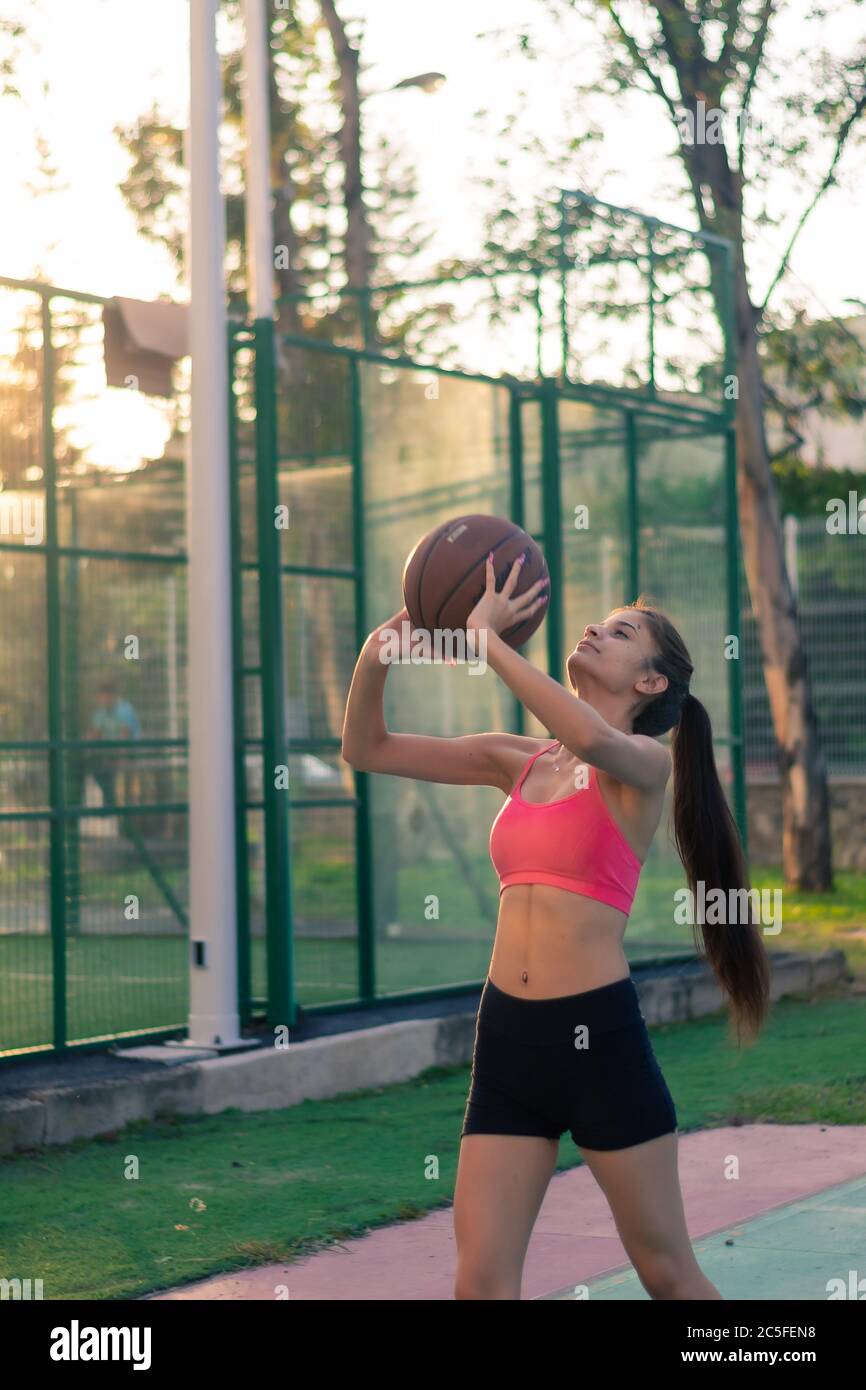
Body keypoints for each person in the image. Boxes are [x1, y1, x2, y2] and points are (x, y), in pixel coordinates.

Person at [341, 554, 770, 1300]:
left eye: (621, 631)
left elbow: (593, 740)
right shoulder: (520, 760)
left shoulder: (640, 764)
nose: (596, 630)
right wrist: (378, 652)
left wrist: (490, 643)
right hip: (508, 1040)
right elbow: (367, 748)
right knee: (481, 1281)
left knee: (667, 1272)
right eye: (600, 622)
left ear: (652, 682)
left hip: (598, 1043)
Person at [86, 682, 142, 825]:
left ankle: (127, 818)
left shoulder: (124, 710)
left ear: (113, 696)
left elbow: (125, 737)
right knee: (94, 767)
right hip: (108, 755)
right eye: (101, 697)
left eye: (105, 697)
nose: (102, 700)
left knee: (124, 784)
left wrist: (121, 758)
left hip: (130, 754)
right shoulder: (100, 713)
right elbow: (94, 735)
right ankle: (111, 802)